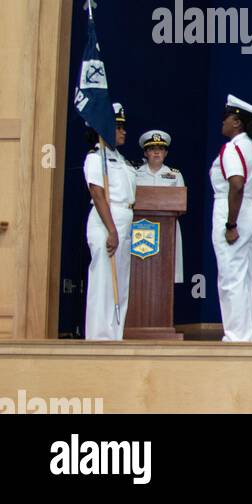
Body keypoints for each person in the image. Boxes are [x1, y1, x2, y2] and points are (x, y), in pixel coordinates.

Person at [210, 95, 252, 342]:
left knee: (230, 277)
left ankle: (235, 337)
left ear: (236, 122)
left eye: (226, 118)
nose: (221, 122)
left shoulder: (233, 148)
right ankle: (246, 333)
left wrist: (232, 223)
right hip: (251, 209)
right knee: (244, 276)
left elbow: (236, 183)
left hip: (233, 210)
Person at [83, 103, 136, 340]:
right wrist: (111, 230)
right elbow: (97, 192)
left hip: (124, 220)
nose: (123, 132)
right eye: (118, 127)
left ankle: (115, 335)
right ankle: (99, 337)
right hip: (107, 220)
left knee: (121, 281)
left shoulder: (121, 160)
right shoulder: (96, 157)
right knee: (104, 279)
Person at [135, 129, 185, 284]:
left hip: (167, 229)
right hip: (140, 228)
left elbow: (181, 204)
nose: (156, 153)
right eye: (152, 149)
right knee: (139, 275)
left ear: (166, 153)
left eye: (160, 149)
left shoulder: (175, 175)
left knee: (164, 275)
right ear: (145, 153)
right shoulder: (134, 174)